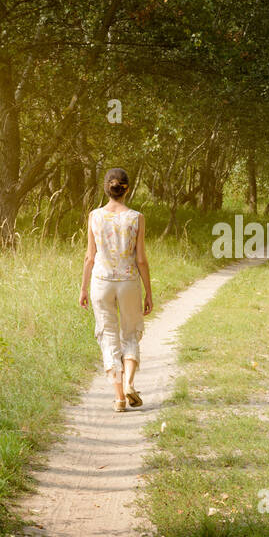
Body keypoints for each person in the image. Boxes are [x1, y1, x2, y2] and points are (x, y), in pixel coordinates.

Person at [79, 168, 153, 412]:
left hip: (101, 282)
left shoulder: (94, 216)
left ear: (106, 188)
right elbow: (141, 259)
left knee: (108, 335)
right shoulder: (137, 217)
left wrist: (83, 289)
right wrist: (149, 292)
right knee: (130, 333)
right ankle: (131, 383)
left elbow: (90, 256)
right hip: (129, 282)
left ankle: (119, 398)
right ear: (127, 189)